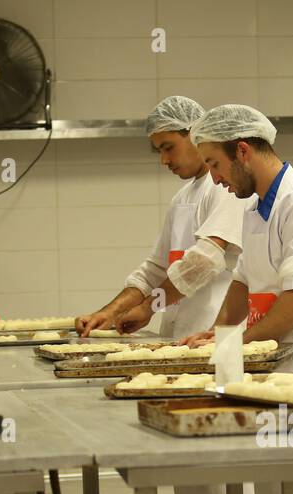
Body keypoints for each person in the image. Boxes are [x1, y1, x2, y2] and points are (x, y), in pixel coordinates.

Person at [182, 105, 293, 373]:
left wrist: (235, 344)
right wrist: (217, 333)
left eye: (215, 165)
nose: (215, 180)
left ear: (242, 151)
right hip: (271, 355)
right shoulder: (255, 208)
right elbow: (242, 281)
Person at [75, 96, 245, 340]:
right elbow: (155, 270)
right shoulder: (182, 198)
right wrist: (109, 313)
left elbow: (204, 262)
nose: (164, 160)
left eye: (168, 147)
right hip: (179, 336)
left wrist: (148, 307)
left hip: (217, 336)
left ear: (196, 134)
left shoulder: (225, 188)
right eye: (159, 151)